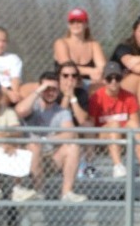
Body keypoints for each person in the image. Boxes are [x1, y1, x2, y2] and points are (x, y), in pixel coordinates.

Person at [14, 68, 89, 202]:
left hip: (50, 159)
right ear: (40, 88)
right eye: (47, 89)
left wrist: (45, 139)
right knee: (34, 145)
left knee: (73, 147)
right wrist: (38, 90)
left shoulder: (61, 112)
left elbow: (70, 133)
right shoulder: (33, 106)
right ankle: (39, 192)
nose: (50, 92)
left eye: (54, 89)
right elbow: (20, 111)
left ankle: (67, 193)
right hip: (28, 158)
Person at [87, 61, 140, 178]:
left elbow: (135, 123)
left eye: (117, 78)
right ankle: (117, 165)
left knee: (133, 123)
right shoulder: (96, 98)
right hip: (103, 139)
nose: (113, 81)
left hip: (123, 138)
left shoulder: (129, 97)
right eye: (109, 78)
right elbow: (92, 126)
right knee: (114, 125)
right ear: (104, 80)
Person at [53, 7, 106, 84]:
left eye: (79, 21)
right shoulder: (61, 43)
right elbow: (67, 68)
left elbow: (102, 67)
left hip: (88, 84)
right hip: (65, 84)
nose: (75, 24)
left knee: (104, 84)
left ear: (86, 24)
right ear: (68, 25)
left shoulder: (94, 44)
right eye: (72, 22)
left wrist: (97, 73)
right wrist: (91, 71)